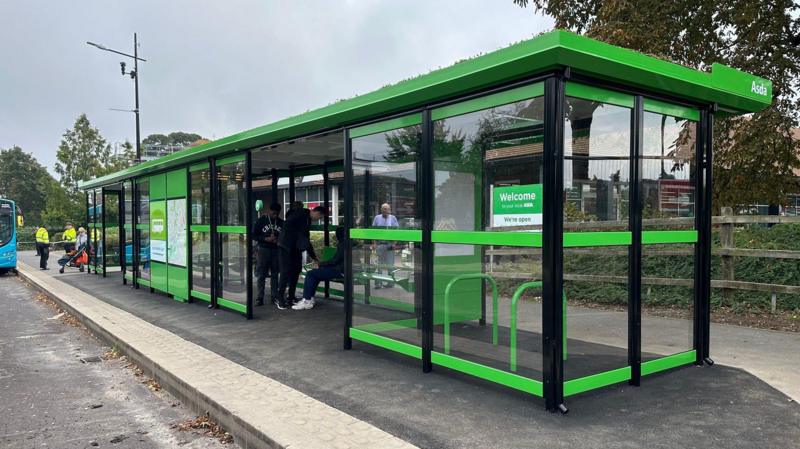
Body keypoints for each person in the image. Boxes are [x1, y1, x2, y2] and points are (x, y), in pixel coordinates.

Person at [276, 202, 324, 310]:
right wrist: (298, 234)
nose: (318, 219)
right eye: (319, 217)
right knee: (285, 272)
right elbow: (287, 224)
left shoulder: (308, 220)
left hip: (296, 248)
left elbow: (306, 240)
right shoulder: (301, 214)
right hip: (286, 246)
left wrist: (314, 257)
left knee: (296, 271)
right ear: (316, 212)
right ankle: (280, 298)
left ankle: (291, 297)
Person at [293, 227, 345, 310]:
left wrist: (320, 264)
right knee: (315, 273)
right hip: (341, 269)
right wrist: (321, 265)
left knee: (311, 274)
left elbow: (335, 261)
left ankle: (307, 300)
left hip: (340, 271)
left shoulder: (343, 244)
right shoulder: (347, 243)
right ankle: (309, 298)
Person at [252, 201, 283, 306]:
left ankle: (274, 297)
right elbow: (253, 235)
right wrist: (265, 239)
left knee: (275, 274)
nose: (275, 215)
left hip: (276, 250)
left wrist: (278, 240)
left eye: (277, 213)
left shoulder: (280, 222)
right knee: (261, 274)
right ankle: (259, 298)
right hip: (263, 250)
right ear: (269, 211)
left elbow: (284, 236)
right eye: (273, 213)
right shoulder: (261, 221)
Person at [371, 203, 399, 288]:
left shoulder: (393, 218)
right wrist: (374, 243)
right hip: (380, 244)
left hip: (390, 245)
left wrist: (394, 243)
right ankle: (378, 283)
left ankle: (390, 283)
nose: (387, 211)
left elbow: (397, 232)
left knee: (390, 265)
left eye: (388, 209)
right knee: (379, 265)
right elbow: (373, 232)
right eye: (385, 209)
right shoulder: (377, 218)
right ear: (381, 210)